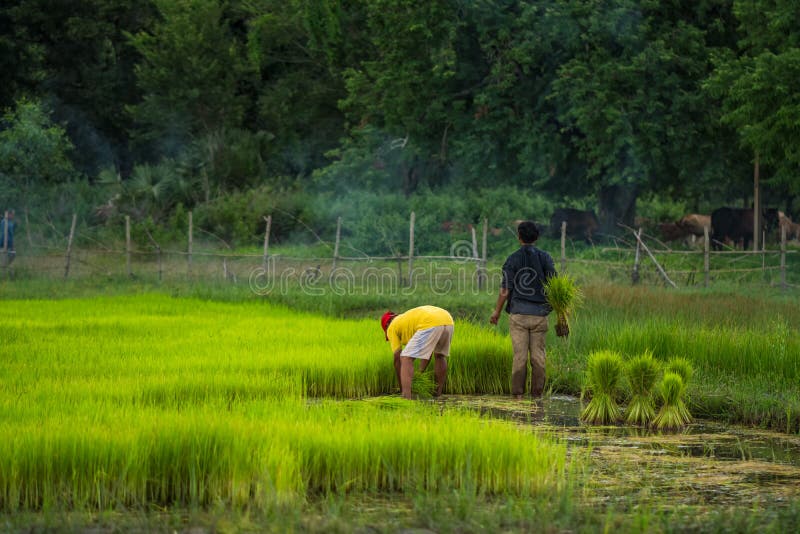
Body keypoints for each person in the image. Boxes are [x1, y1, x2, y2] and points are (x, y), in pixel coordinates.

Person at [490, 221, 557, 399]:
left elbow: (505, 290)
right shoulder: (546, 258)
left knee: (520, 357)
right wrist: (562, 314)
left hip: (518, 316)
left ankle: (518, 397)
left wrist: (496, 312)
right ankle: (537, 397)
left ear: (519, 237)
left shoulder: (513, 259)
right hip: (540, 317)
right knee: (538, 357)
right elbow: (556, 287)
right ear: (537, 237)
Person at [381, 306, 454, 399]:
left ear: (386, 326)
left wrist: (402, 386)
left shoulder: (391, 327)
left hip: (429, 322)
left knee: (405, 358)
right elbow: (428, 351)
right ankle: (437, 395)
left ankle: (406, 397)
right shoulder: (406, 320)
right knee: (440, 356)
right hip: (448, 319)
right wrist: (419, 373)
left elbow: (397, 357)